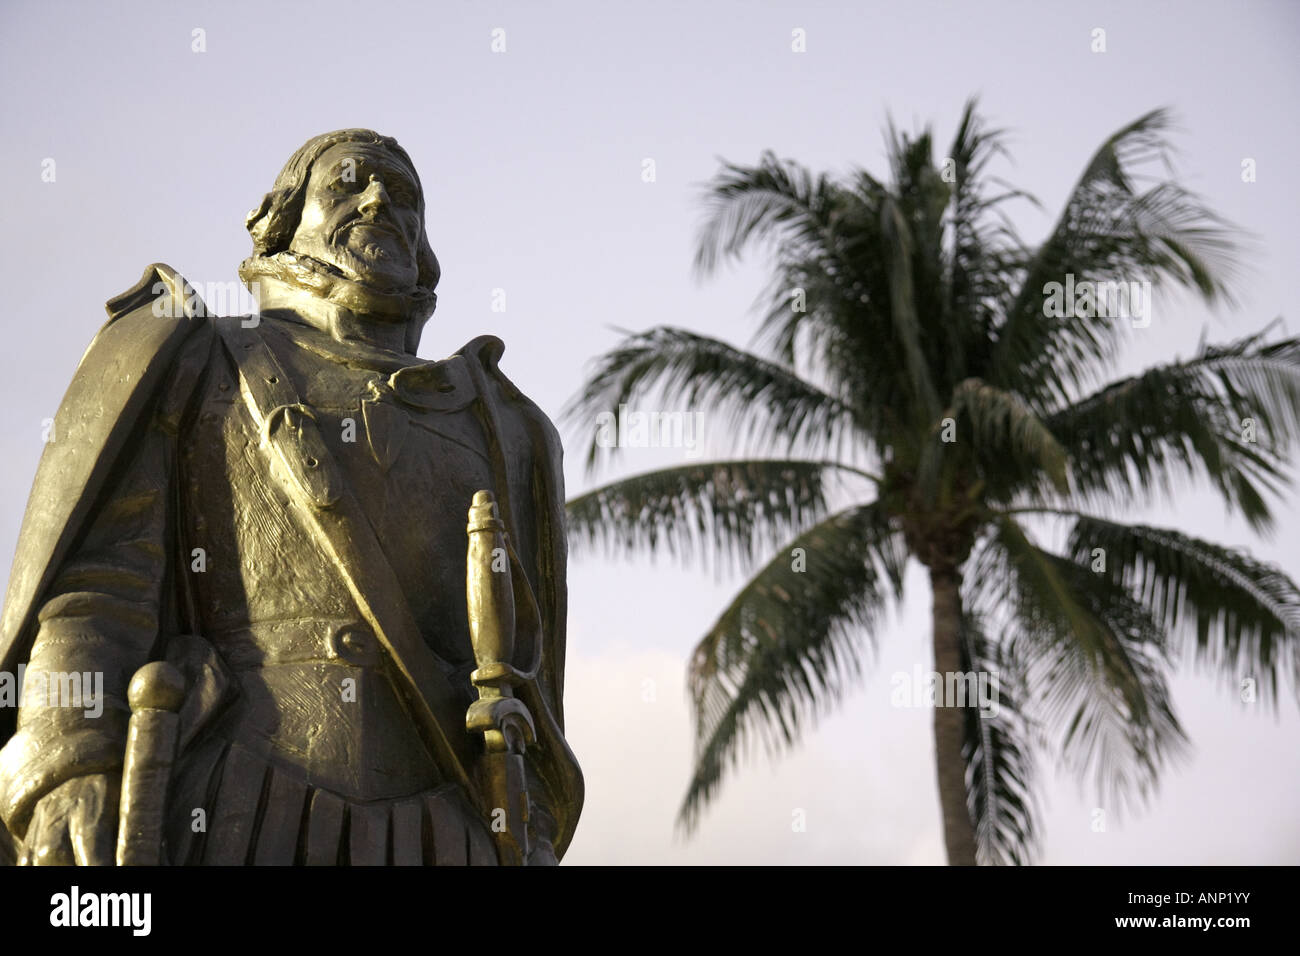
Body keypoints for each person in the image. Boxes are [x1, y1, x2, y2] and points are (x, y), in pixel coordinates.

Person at [0, 129, 582, 866]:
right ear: (281, 219)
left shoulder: (503, 423)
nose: (379, 200)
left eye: (404, 198)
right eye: (349, 183)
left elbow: (527, 692)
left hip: (447, 830)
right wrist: (67, 761)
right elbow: (104, 588)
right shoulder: (195, 355)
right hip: (239, 808)